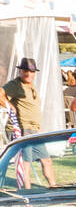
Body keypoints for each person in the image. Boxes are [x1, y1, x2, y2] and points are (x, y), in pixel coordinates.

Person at [3, 57, 54, 186]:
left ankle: (54, 187)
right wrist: (9, 105)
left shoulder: (31, 86)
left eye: (31, 71)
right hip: (21, 129)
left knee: (46, 160)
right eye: (25, 71)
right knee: (25, 162)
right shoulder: (15, 84)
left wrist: (39, 128)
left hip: (34, 130)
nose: (28, 74)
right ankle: (27, 192)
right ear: (20, 71)